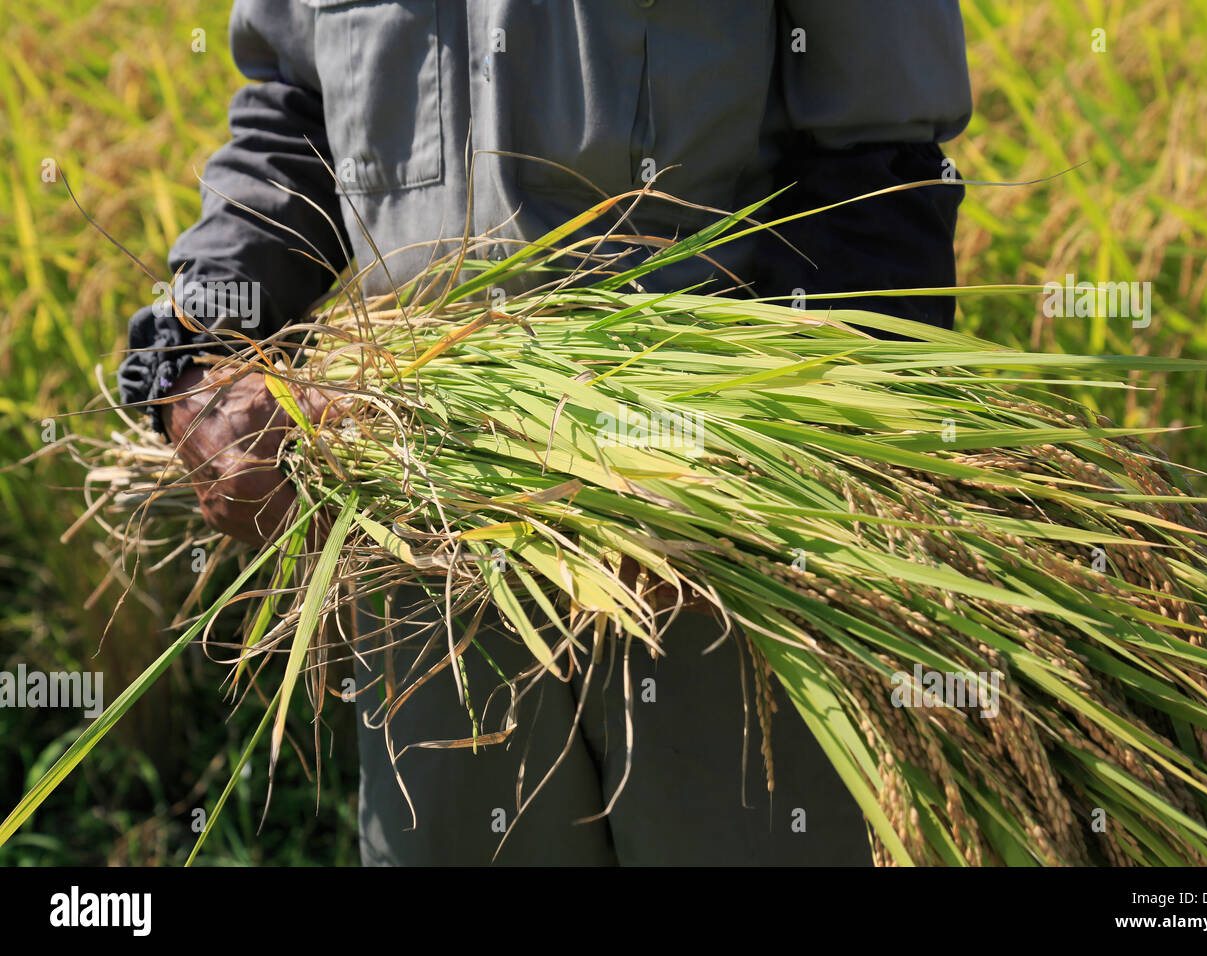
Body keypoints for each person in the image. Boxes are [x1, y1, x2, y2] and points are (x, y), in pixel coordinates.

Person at [119, 0, 972, 865]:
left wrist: (765, 464)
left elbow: (880, 165)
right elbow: (294, 104)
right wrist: (204, 346)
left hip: (714, 555)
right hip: (421, 535)